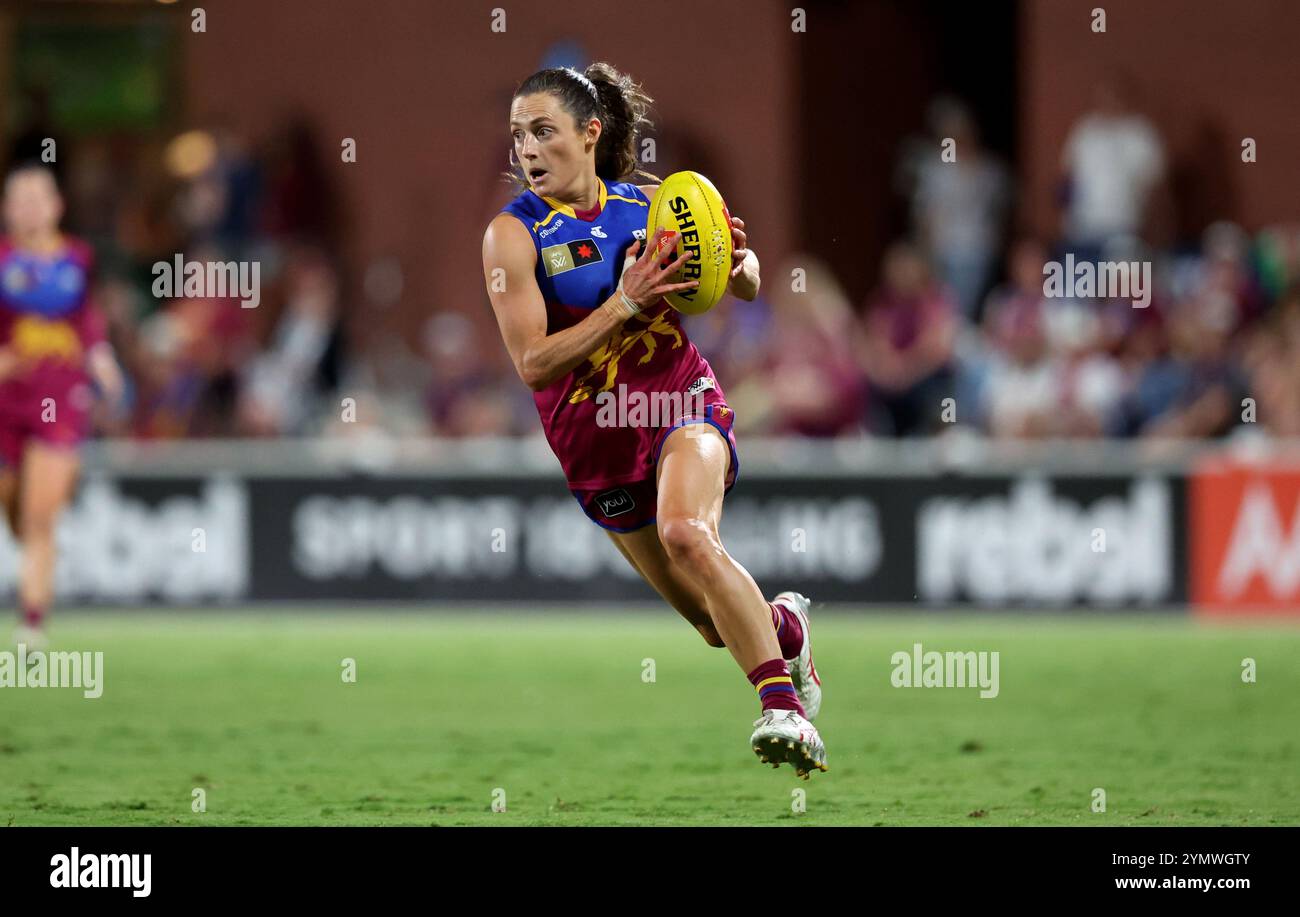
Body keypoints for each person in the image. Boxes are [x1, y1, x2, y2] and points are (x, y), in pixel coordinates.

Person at [481, 63, 826, 777]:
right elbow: (533, 364)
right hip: (594, 448)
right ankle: (786, 624)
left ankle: (782, 708)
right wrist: (625, 304)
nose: (528, 150)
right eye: (518, 136)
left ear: (590, 133)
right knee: (708, 624)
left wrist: (738, 266)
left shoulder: (652, 207)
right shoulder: (511, 238)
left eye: (544, 131)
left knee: (685, 530)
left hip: (678, 402)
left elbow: (749, 275)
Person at [0, 163, 123, 648]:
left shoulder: (79, 259)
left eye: (38, 197)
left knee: (40, 515)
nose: (29, 208)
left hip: (60, 398)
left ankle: (32, 624)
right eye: (19, 199)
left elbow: (87, 321)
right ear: (7, 210)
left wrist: (102, 359)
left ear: (57, 207)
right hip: (7, 401)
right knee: (13, 508)